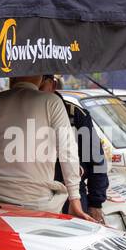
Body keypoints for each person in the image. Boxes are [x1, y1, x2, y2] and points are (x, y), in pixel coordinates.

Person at [0, 76, 90, 218]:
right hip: (37, 204)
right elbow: (67, 152)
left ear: (10, 75)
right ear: (40, 76)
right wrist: (75, 200)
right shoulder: (51, 102)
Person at [40, 75, 108, 222]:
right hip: (34, 196)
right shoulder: (20, 112)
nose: (33, 92)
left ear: (52, 84)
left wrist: (96, 203)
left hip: (72, 196)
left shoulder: (76, 115)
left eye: (39, 86)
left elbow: (97, 160)